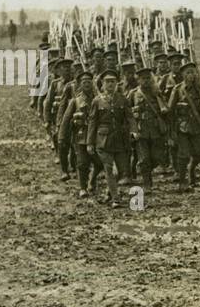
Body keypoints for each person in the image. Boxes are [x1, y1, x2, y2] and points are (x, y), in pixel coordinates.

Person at [89, 71, 133, 207]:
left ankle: (109, 191)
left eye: (113, 81)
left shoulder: (122, 99)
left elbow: (130, 117)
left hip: (119, 139)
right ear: (102, 84)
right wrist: (90, 142)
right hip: (103, 140)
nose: (110, 84)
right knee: (108, 169)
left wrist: (134, 130)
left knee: (121, 170)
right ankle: (116, 198)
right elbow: (92, 122)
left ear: (117, 84)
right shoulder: (97, 101)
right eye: (107, 81)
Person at [168, 62, 200, 191]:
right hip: (182, 126)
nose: (191, 75)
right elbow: (170, 110)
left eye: (193, 72)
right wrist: (172, 130)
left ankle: (191, 170)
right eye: (188, 73)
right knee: (183, 155)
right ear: (183, 75)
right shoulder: (177, 89)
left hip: (197, 126)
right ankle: (182, 181)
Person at [59, 70, 98, 199]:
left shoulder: (99, 98)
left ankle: (92, 179)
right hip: (81, 135)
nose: (86, 83)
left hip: (98, 135)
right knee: (82, 162)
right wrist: (62, 137)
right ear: (80, 84)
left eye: (89, 81)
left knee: (100, 162)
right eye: (84, 81)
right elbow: (66, 119)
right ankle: (83, 188)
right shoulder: (76, 101)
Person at [130, 66, 169, 194]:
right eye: (143, 79)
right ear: (138, 80)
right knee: (144, 158)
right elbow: (127, 113)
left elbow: (165, 110)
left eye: (148, 78)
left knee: (157, 157)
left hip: (156, 130)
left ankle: (144, 170)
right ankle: (147, 183)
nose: (146, 81)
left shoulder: (156, 93)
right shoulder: (134, 93)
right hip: (141, 130)